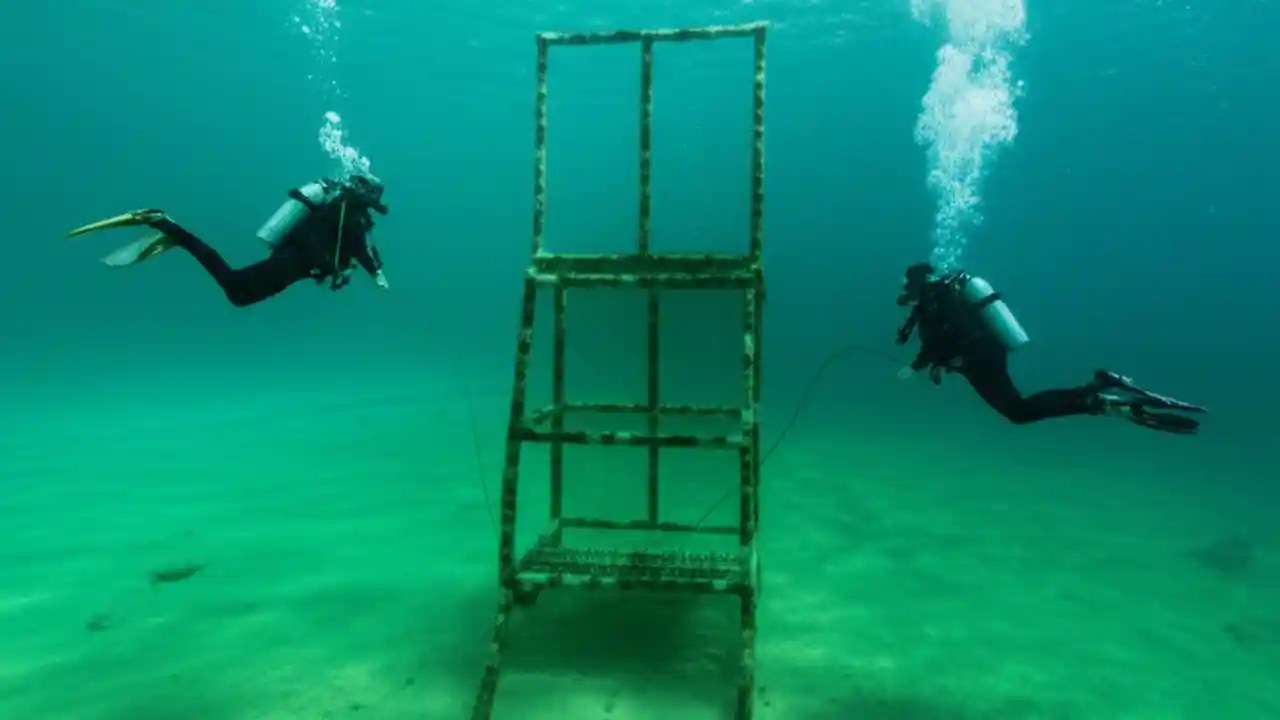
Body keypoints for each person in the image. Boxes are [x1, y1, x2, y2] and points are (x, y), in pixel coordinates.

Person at [894, 261, 1206, 434]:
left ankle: (1094, 395)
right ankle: (1098, 396)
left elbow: (942, 339)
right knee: (1018, 409)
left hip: (978, 360)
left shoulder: (934, 301)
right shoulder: (946, 294)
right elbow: (951, 335)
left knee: (1018, 410)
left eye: (907, 285)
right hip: (986, 355)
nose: (905, 292)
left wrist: (915, 367)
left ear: (917, 283)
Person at [66, 173, 391, 307]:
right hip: (291, 263)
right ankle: (164, 224)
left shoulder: (346, 215)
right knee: (235, 289)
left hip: (293, 266)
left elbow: (357, 247)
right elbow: (359, 247)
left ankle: (174, 234)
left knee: (238, 296)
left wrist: (376, 273)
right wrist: (376, 274)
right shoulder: (345, 214)